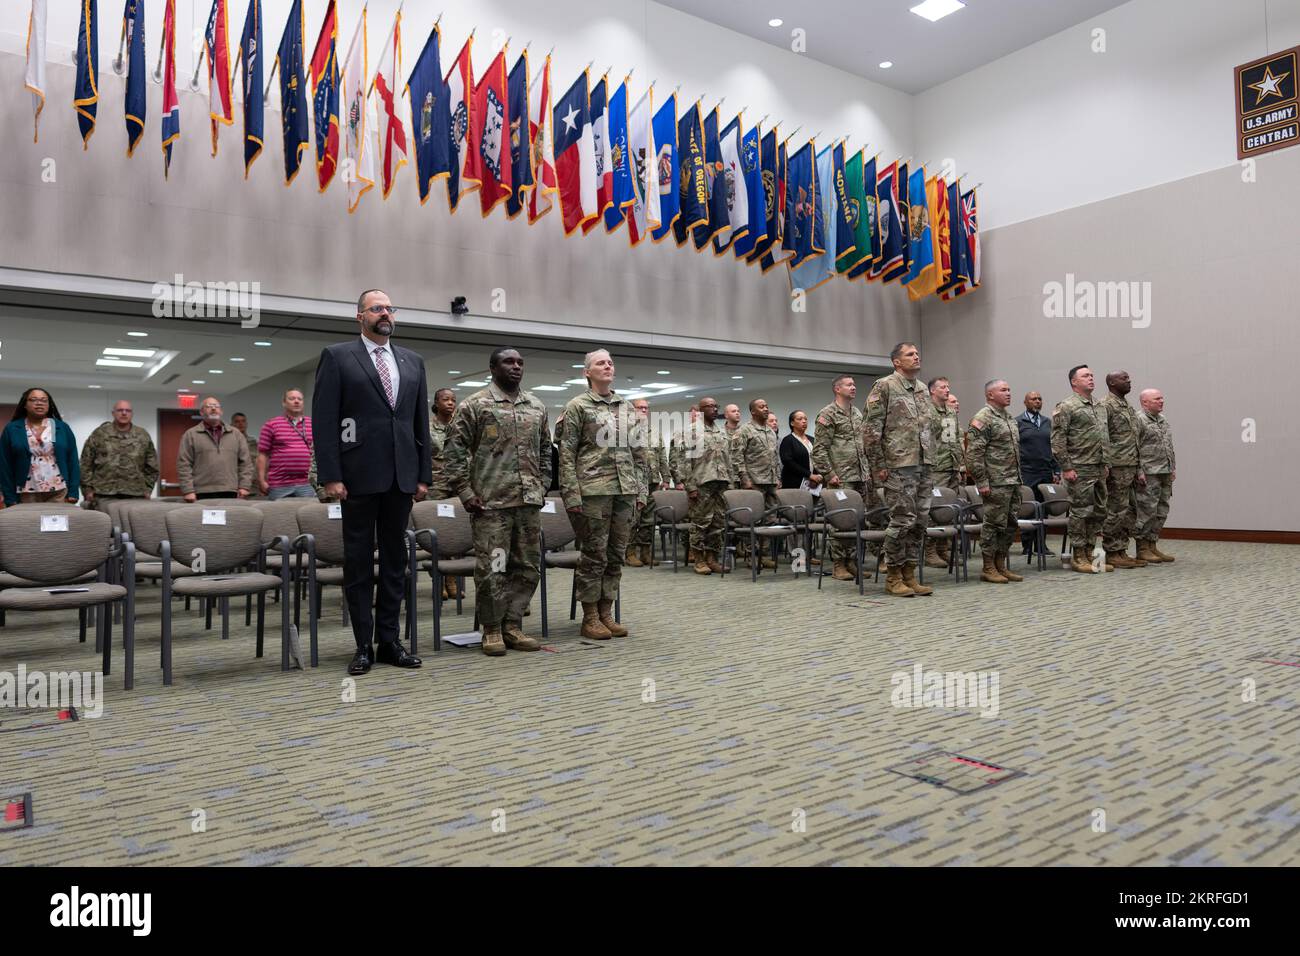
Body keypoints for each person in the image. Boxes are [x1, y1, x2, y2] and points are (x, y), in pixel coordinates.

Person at [313, 289, 428, 675]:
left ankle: (390, 641)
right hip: (357, 477)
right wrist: (331, 474)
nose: (385, 313)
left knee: (396, 562)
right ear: (359, 316)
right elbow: (324, 419)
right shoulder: (338, 356)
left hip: (401, 478)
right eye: (377, 308)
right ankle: (363, 644)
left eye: (390, 308)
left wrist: (423, 474)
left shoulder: (413, 361)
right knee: (359, 563)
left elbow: (418, 424)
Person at [443, 348, 551, 656]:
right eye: (508, 362)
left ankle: (512, 625)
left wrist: (542, 486)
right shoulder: (474, 405)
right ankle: (491, 629)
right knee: (493, 568)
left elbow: (546, 450)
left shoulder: (536, 406)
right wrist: (465, 492)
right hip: (490, 503)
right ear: (493, 367)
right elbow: (453, 452)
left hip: (528, 501)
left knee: (528, 567)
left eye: (520, 363)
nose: (516, 367)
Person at [559, 349, 646, 639]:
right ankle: (590, 617)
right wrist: (571, 495)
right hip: (592, 491)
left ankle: (607, 612)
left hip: (625, 491)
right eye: (600, 363)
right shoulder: (578, 406)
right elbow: (567, 454)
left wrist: (641, 491)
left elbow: (640, 454)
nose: (607, 366)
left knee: (616, 554)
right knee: (594, 556)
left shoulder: (626, 407)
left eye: (610, 362)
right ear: (587, 372)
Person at [864, 343, 935, 598]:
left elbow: (927, 427)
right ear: (896, 362)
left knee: (920, 521)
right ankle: (893, 575)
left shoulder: (923, 388)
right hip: (898, 464)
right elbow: (871, 429)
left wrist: (930, 459)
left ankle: (909, 574)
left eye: (917, 353)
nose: (916, 357)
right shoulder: (884, 386)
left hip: (924, 463)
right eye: (910, 354)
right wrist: (878, 465)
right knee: (902, 520)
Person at [1051, 365, 1111, 574]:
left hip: (1099, 468)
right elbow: (1058, 440)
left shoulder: (1100, 405)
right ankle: (1078, 555)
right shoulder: (1066, 406)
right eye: (1086, 376)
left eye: (1092, 375)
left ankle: (1089, 553)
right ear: (1074, 382)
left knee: (1099, 512)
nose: (1091, 378)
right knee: (1081, 512)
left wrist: (1106, 464)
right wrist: (1066, 467)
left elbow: (1104, 437)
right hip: (1079, 468)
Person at [811, 376, 870, 582]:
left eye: (854, 384)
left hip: (859, 474)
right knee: (840, 521)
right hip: (840, 476)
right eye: (849, 385)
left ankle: (852, 561)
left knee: (857, 521)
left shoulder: (856, 413)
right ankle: (838, 564)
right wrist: (829, 474)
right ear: (837, 389)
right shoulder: (827, 414)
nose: (853, 387)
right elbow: (819, 450)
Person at [965, 380, 1024, 584]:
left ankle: (1001, 564)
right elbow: (974, 453)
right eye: (1003, 390)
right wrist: (981, 481)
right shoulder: (983, 418)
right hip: (995, 481)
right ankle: (988, 566)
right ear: (990, 395)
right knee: (993, 524)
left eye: (1009, 389)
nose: (1008, 393)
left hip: (1012, 480)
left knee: (1009, 524)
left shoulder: (1009, 418)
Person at [1, 388, 80, 506]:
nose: (39, 403)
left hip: (58, 490)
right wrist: (9, 496)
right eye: (33, 400)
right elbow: (4, 464)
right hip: (26, 491)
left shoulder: (62, 427)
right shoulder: (12, 429)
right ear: (25, 405)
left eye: (44, 400)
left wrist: (73, 491)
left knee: (56, 523)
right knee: (29, 524)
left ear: (49, 405)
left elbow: (73, 460)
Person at [1100, 371, 1146, 569]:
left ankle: (1121, 550)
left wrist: (1139, 467)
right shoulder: (1106, 405)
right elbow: (1103, 436)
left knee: (1130, 511)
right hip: (1117, 466)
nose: (1129, 381)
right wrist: (1106, 464)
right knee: (1116, 510)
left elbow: (1135, 439)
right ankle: (1111, 551)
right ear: (1111, 382)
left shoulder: (1128, 406)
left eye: (1129, 378)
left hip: (1131, 465)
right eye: (1124, 378)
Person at [681, 397, 732, 575]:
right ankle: (699, 559)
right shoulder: (692, 431)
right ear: (700, 410)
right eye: (708, 406)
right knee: (700, 523)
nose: (713, 409)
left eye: (715, 406)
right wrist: (690, 486)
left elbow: (728, 459)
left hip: (720, 482)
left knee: (718, 523)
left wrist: (730, 481)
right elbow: (684, 462)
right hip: (702, 483)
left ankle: (712, 558)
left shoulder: (721, 431)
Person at [79, 400, 159, 510]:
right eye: (120, 410)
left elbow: (152, 466)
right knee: (104, 526)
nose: (124, 413)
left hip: (135, 494)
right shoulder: (99, 434)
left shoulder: (142, 435)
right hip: (103, 494)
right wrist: (87, 490)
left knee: (134, 527)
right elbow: (85, 463)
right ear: (113, 413)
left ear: (132, 414)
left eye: (128, 410)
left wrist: (148, 489)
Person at [734, 398, 781, 569]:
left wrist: (777, 478)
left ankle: (764, 554)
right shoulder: (744, 430)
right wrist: (745, 479)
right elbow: (737, 457)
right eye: (761, 407)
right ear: (753, 411)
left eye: (767, 406)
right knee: (751, 520)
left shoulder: (770, 430)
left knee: (769, 520)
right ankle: (751, 555)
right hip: (753, 481)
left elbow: (774, 457)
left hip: (770, 480)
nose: (766, 409)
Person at [176, 397, 253, 501]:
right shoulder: (190, 435)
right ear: (202, 412)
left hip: (230, 490)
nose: (213, 409)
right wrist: (188, 490)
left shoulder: (236, 434)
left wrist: (244, 486)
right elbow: (184, 464)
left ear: (221, 411)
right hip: (201, 492)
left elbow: (246, 463)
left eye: (216, 406)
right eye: (209, 406)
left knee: (231, 518)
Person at [924, 377, 964, 569]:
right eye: (943, 387)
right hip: (935, 467)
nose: (947, 390)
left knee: (948, 511)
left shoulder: (950, 411)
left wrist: (960, 465)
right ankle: (929, 550)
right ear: (932, 391)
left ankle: (944, 548)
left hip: (952, 466)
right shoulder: (926, 411)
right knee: (933, 510)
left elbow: (955, 439)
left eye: (948, 386)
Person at [626, 398, 669, 568]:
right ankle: (629, 553)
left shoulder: (654, 432)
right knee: (633, 519)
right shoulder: (626, 432)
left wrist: (665, 478)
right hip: (634, 483)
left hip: (653, 481)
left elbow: (662, 457)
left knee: (649, 521)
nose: (644, 411)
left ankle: (645, 552)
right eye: (640, 408)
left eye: (646, 408)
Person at [1135, 388, 1176, 564]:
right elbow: (1133, 447)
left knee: (1162, 509)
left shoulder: (1162, 419)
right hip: (1149, 472)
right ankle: (1142, 548)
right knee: (1147, 511)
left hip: (1164, 471)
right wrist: (1139, 471)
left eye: (1162, 398)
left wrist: (1172, 467)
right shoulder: (1138, 420)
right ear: (1145, 402)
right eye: (1157, 399)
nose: (1161, 401)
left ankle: (1152, 544)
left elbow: (1168, 444)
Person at [1016, 391, 1059, 555]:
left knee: (1044, 509)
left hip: (1045, 472)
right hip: (1027, 472)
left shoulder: (1047, 422)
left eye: (1040, 399)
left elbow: (1053, 448)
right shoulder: (1018, 422)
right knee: (1028, 509)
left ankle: (1041, 545)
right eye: (1033, 399)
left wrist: (1056, 469)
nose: (1037, 401)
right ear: (1025, 402)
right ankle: (1027, 545)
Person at [428, 387, 462, 599]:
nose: (450, 403)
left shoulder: (461, 425)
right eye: (445, 399)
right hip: (436, 484)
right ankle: (439, 580)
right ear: (436, 403)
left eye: (453, 400)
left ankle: (452, 577)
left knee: (455, 532)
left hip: (457, 482)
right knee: (437, 534)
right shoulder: (426, 427)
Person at [256, 389, 315, 499]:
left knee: (308, 514)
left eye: (299, 399)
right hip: (279, 484)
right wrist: (261, 480)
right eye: (292, 399)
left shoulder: (313, 424)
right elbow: (262, 455)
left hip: (307, 484)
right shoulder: (272, 424)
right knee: (279, 515)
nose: (296, 401)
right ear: (284, 403)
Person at [780, 410, 817, 490]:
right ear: (792, 423)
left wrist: (817, 475)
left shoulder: (812, 439)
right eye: (800, 419)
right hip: (794, 482)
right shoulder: (788, 440)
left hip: (813, 482)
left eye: (805, 419)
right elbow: (788, 462)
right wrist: (809, 475)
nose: (804, 421)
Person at [231, 412, 260, 494]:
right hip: (236, 485)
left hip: (254, 485)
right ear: (232, 424)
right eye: (237, 421)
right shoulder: (228, 443)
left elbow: (259, 462)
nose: (241, 424)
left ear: (246, 424)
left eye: (243, 421)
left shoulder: (254, 443)